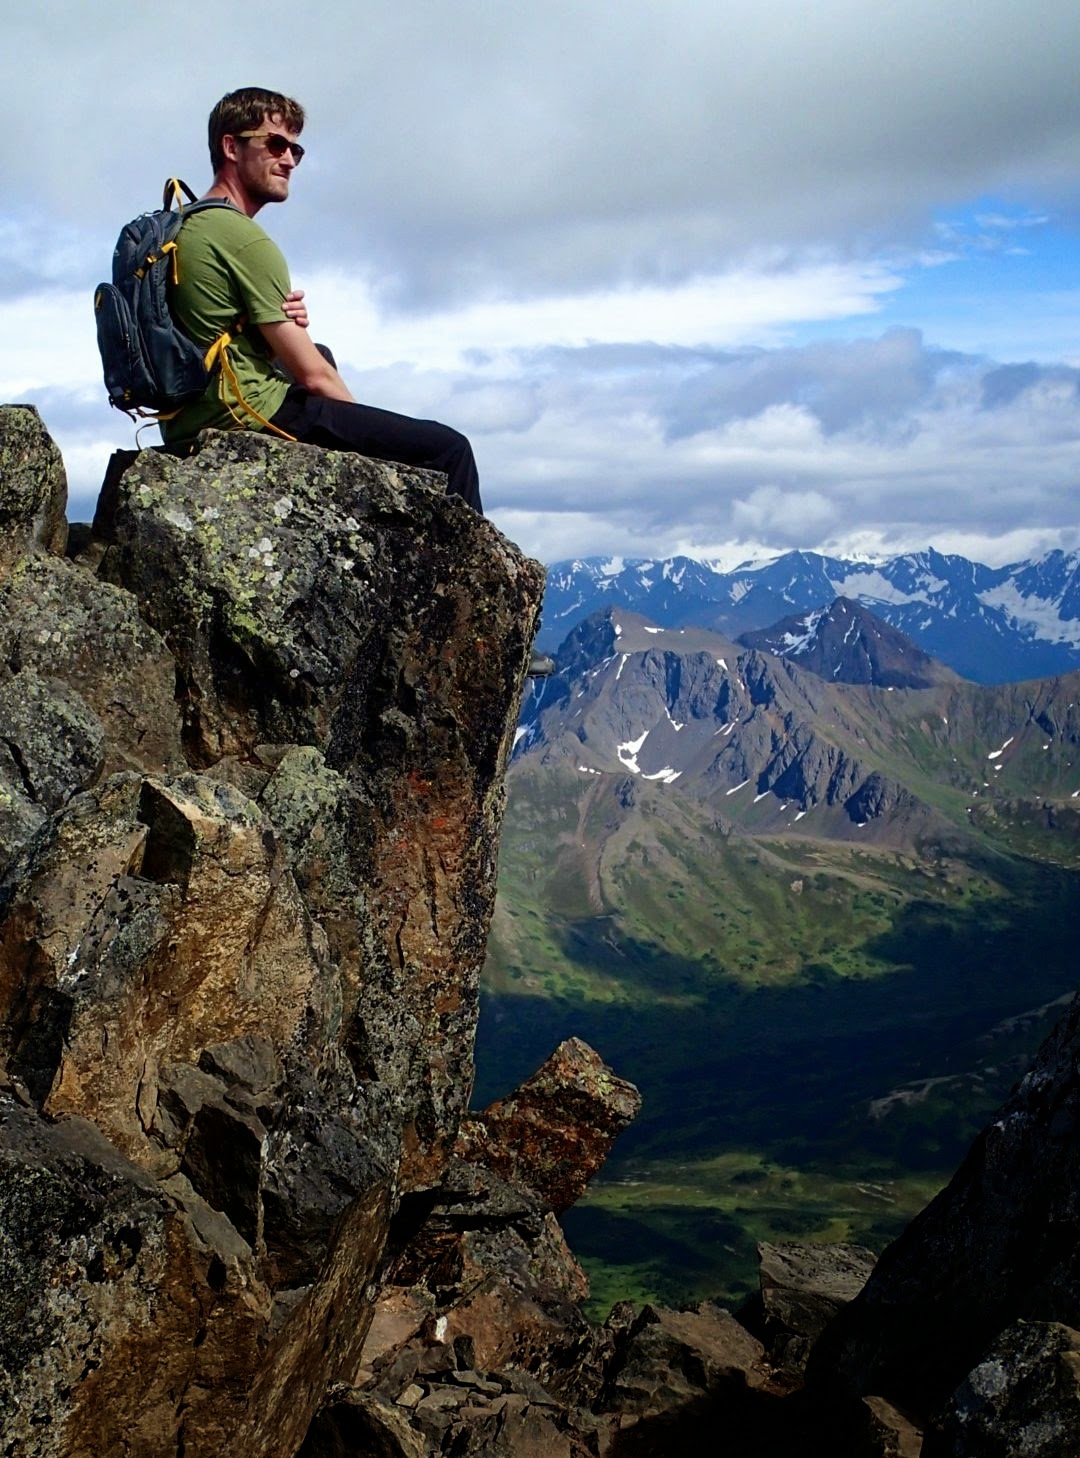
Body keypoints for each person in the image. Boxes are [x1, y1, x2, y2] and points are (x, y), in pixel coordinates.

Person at [162, 86, 482, 514]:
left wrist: (262, 327)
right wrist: (371, 456)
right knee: (447, 449)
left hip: (188, 414)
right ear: (230, 147)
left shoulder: (183, 224)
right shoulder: (242, 238)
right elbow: (315, 379)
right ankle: (461, 574)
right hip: (242, 413)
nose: (289, 160)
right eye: (275, 144)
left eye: (296, 149)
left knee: (323, 352)